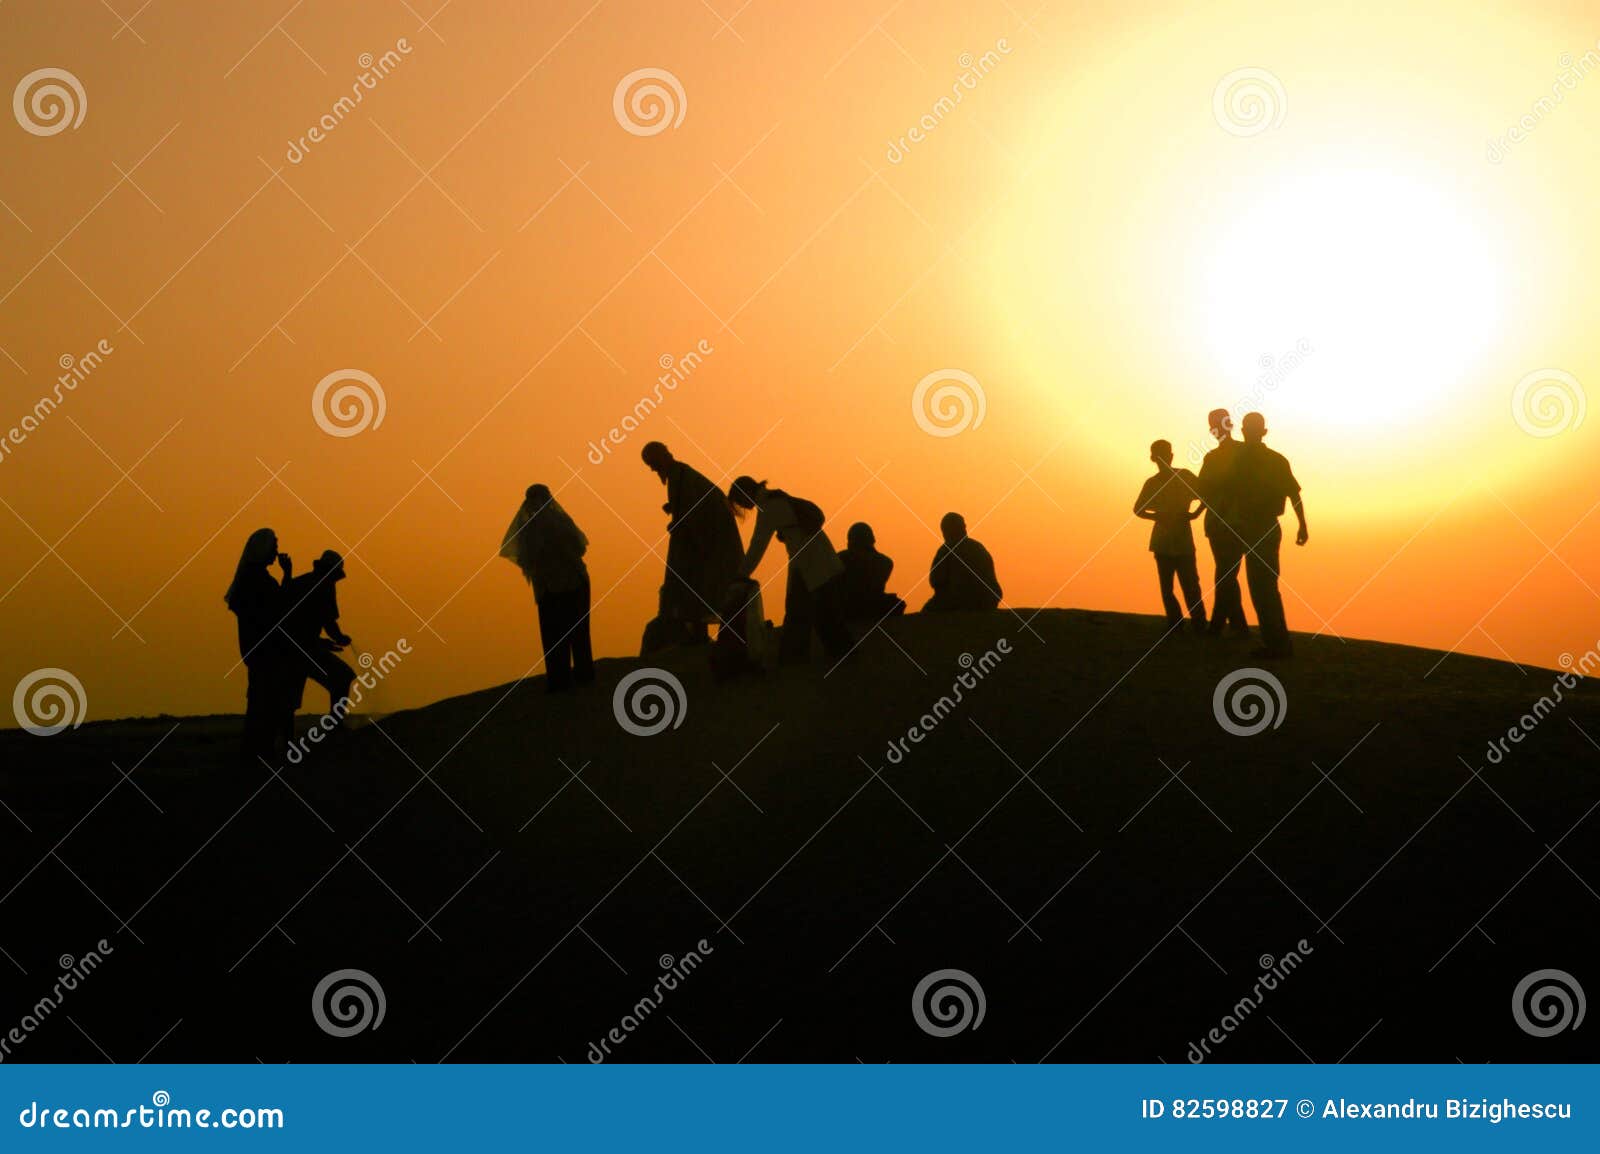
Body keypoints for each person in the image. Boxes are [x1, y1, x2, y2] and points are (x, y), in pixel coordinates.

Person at [728, 476, 852, 665]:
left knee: (813, 613)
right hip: (811, 562)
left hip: (811, 563)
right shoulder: (776, 499)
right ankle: (815, 657)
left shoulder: (769, 508)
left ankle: (807, 658)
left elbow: (757, 546)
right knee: (812, 612)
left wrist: (741, 574)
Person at [641, 442, 743, 648]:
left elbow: (693, 514)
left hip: (709, 542)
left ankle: (701, 636)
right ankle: (698, 633)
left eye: (653, 464)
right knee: (695, 584)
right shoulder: (680, 475)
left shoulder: (680, 476)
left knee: (695, 583)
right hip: (704, 540)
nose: (653, 469)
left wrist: (679, 524)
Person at [501, 484, 595, 691]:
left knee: (560, 632)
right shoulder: (551, 522)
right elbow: (579, 548)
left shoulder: (536, 526)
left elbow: (526, 558)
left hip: (562, 584)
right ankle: (577, 675)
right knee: (568, 631)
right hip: (562, 584)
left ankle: (564, 678)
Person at [1231, 412, 1308, 659]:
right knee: (1264, 587)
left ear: (1245, 431)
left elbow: (1293, 494)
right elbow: (1294, 494)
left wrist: (1303, 525)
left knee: (1262, 587)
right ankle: (1276, 642)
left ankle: (1278, 645)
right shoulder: (1274, 460)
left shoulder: (1241, 460)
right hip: (1261, 527)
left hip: (1258, 527)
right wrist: (1302, 525)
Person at [224, 527, 296, 760]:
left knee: (260, 701)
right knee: (267, 701)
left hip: (257, 650)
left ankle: (256, 752)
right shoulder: (257, 580)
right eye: (274, 547)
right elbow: (279, 608)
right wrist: (287, 575)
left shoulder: (250, 578)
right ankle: (261, 753)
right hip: (265, 651)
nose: (276, 551)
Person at [1133, 440, 1207, 633]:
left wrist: (1194, 514)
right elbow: (1138, 509)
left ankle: (1195, 623)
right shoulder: (1156, 482)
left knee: (1187, 585)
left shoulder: (1182, 477)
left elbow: (1206, 495)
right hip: (1165, 540)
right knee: (1175, 586)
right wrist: (1159, 517)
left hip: (1178, 539)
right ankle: (1182, 623)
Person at [283, 550, 357, 724]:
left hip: (289, 648)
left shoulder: (301, 581)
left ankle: (286, 737)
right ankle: (335, 725)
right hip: (306, 649)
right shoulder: (326, 586)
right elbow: (329, 623)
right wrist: (340, 638)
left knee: (289, 701)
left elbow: (284, 602)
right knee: (343, 677)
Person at [1197, 408, 1249, 637]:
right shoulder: (1213, 457)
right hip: (1219, 523)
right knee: (1227, 573)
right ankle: (1238, 625)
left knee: (1225, 574)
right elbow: (1202, 489)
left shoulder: (1244, 453)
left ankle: (1219, 624)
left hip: (1237, 523)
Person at [922, 513, 1002, 612]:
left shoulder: (946, 550)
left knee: (927, 612)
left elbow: (936, 580)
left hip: (965, 602)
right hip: (986, 600)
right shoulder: (977, 547)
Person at [839, 522, 906, 621]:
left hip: (869, 603)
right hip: (850, 603)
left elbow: (875, 588)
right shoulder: (841, 559)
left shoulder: (884, 562)